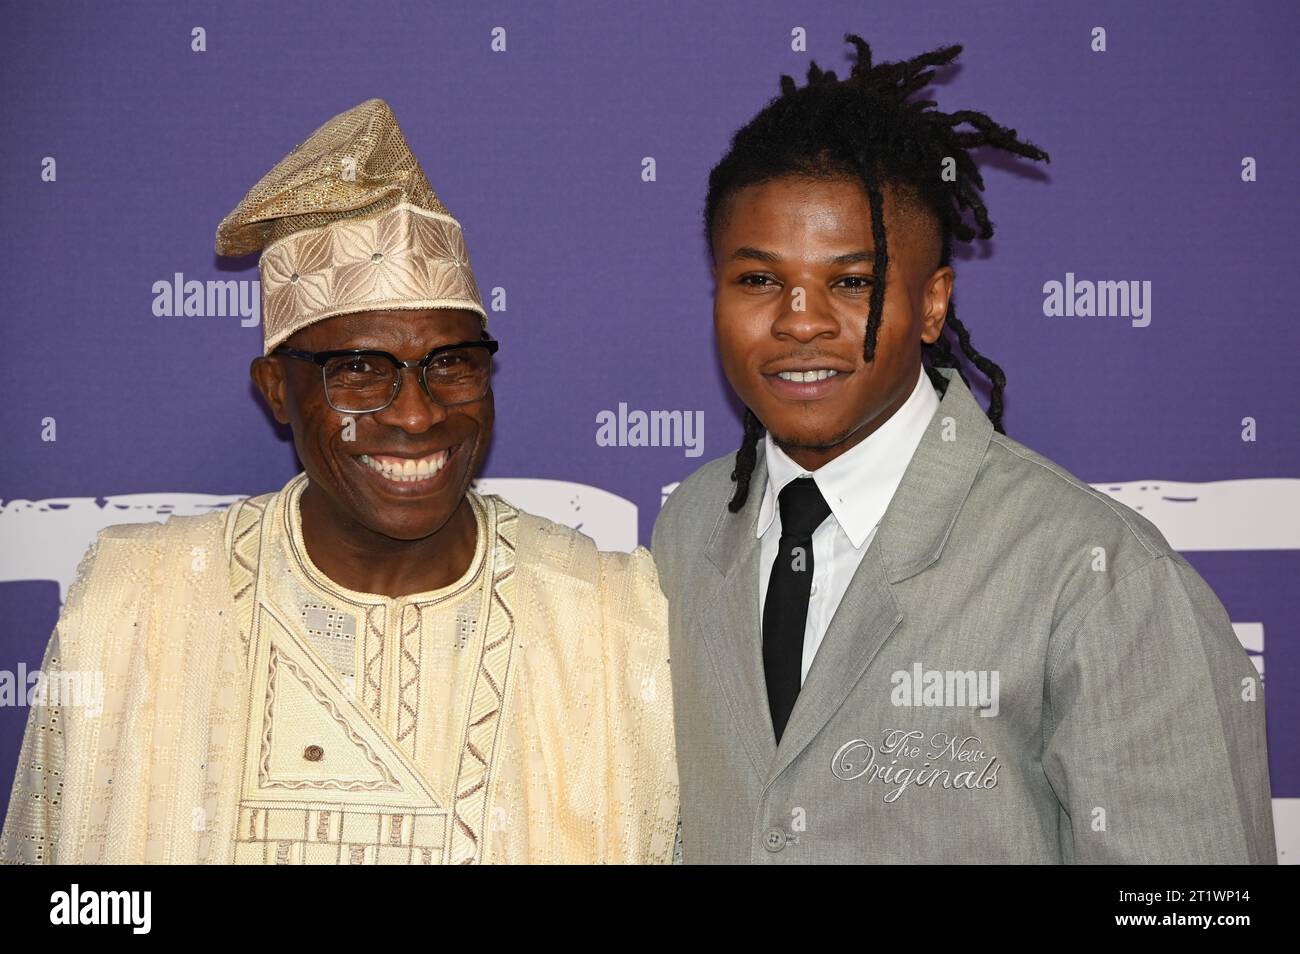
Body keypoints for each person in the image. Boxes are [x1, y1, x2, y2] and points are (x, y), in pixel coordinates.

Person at [1, 98, 677, 865]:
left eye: (451, 362)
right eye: (359, 370)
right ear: (275, 389)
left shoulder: (607, 614)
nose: (418, 416)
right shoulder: (136, 602)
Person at [652, 36, 1275, 863]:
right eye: (759, 280)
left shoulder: (1099, 578)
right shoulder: (685, 535)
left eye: (852, 282)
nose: (801, 320)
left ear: (933, 303)